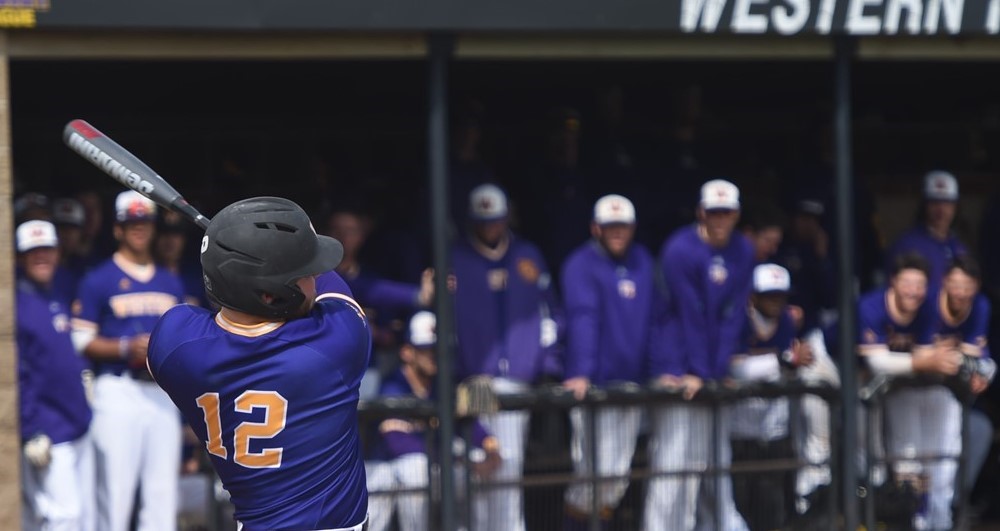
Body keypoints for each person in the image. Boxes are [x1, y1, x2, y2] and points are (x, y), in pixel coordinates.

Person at [146, 196, 371, 530]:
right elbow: (330, 285)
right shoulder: (334, 346)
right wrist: (270, 254)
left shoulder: (174, 344)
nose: (312, 277)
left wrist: (237, 253)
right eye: (303, 273)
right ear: (270, 294)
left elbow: (207, 319)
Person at [70, 191, 186, 531]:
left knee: (162, 494)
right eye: (131, 223)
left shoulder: (170, 280)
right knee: (115, 493)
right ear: (118, 229)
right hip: (118, 388)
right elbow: (80, 340)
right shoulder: (99, 278)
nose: (139, 230)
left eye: (145, 223)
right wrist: (125, 347)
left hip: (162, 392)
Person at [644, 178, 753, 531]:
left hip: (708, 371)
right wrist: (692, 371)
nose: (720, 219)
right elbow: (686, 316)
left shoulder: (743, 250)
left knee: (708, 463)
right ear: (700, 213)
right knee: (672, 466)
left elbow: (733, 316)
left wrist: (715, 372)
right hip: (675, 364)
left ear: (736, 215)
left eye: (727, 213)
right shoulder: (680, 249)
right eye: (714, 212)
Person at [451, 183, 561, 531]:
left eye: (496, 220)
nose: (490, 228)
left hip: (517, 375)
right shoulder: (455, 257)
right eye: (483, 221)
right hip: (473, 378)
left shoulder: (527, 254)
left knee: (509, 465)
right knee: (482, 464)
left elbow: (550, 314)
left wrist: (547, 363)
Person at [559, 194, 655, 530]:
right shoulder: (580, 263)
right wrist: (580, 372)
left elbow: (656, 317)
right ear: (595, 228)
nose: (617, 232)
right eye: (610, 226)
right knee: (592, 473)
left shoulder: (642, 260)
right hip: (593, 386)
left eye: (623, 226)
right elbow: (583, 319)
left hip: (630, 384)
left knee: (617, 476)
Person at [366, 311, 501, 531]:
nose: (433, 356)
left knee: (480, 465)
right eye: (426, 350)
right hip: (385, 470)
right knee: (417, 469)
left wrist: (491, 447)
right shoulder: (393, 386)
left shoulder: (441, 385)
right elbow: (398, 445)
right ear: (407, 352)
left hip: (434, 465)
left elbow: (470, 426)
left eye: (437, 350)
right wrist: (453, 458)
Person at [857, 253, 960, 531]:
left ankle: (910, 520)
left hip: (878, 384)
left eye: (920, 285)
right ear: (893, 282)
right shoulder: (871, 305)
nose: (913, 291)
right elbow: (877, 362)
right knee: (861, 448)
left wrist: (935, 358)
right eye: (907, 283)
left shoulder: (925, 309)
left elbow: (927, 355)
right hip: (833, 368)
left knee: (887, 456)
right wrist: (925, 360)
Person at [16, 220, 94, 531]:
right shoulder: (16, 304)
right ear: (19, 257)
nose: (41, 257)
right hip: (47, 432)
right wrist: (31, 428)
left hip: (76, 424)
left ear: (58, 252)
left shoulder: (56, 293)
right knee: (63, 517)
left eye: (46, 250)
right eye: (33, 252)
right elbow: (16, 374)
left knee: (78, 517)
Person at [729, 263, 813, 531]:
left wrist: (792, 363)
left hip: (774, 429)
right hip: (738, 429)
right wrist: (784, 361)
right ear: (753, 296)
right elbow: (735, 368)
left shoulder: (788, 320)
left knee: (772, 509)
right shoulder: (738, 319)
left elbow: (792, 362)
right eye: (769, 295)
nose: (775, 301)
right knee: (740, 503)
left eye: (780, 295)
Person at [885, 171, 967, 293]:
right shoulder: (906, 245)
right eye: (934, 202)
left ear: (955, 207)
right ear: (924, 206)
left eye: (947, 202)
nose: (941, 209)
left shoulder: (959, 246)